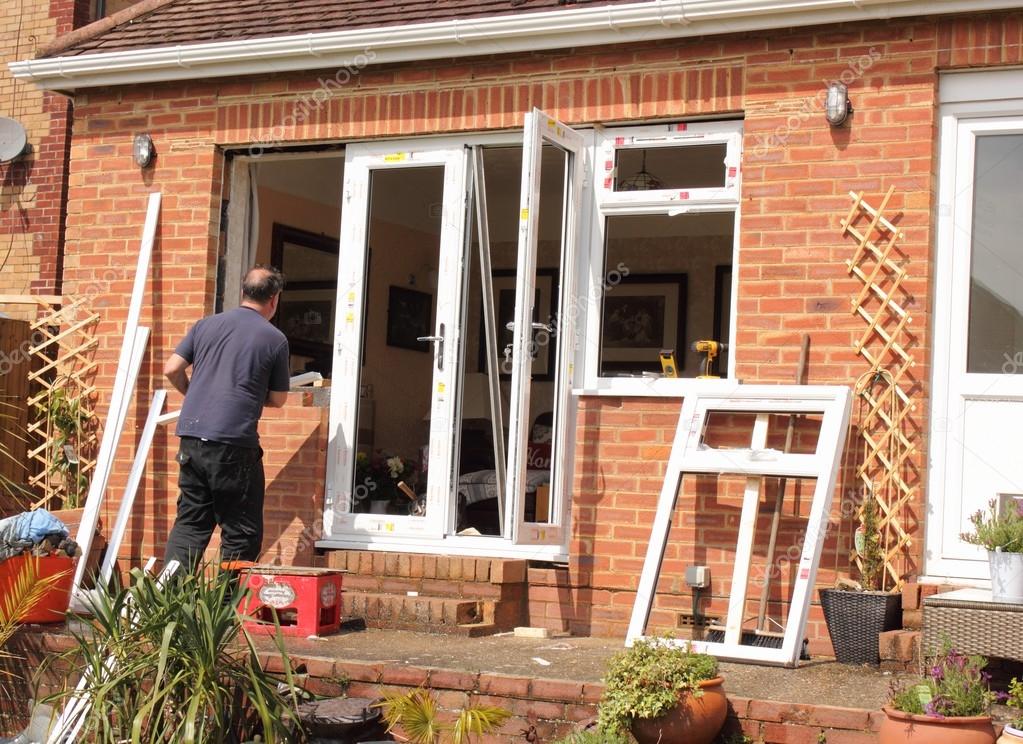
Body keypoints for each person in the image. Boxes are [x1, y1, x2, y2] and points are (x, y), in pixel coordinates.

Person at [162, 266, 290, 571]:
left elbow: (171, 368)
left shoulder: (205, 325)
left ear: (243, 292)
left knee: (190, 525)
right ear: (274, 299)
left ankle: (165, 604)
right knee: (241, 532)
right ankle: (227, 611)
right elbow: (278, 399)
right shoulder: (274, 339)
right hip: (233, 445)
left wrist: (192, 393)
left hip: (192, 440)